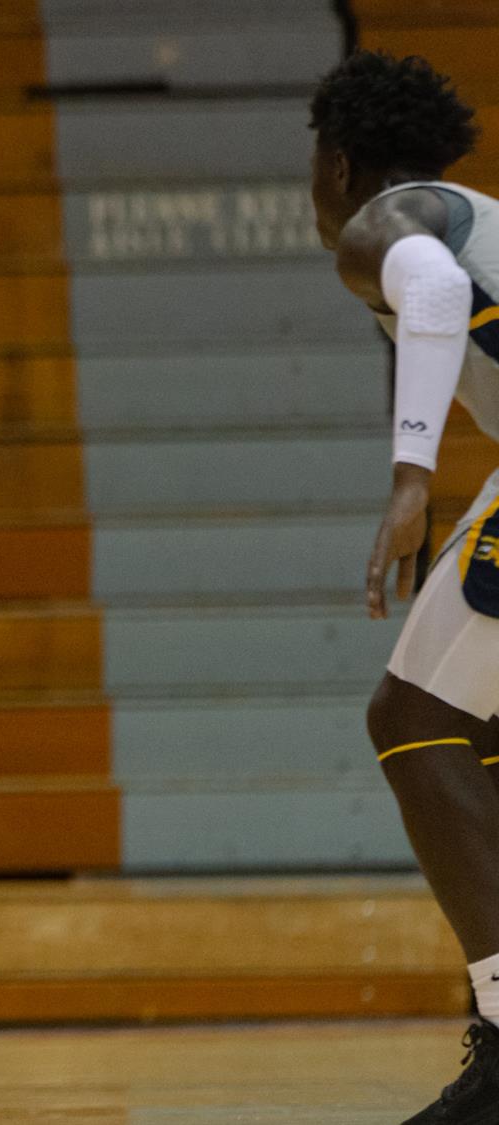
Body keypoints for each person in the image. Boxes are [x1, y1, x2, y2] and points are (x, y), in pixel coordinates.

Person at [311, 49, 499, 1125]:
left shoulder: (380, 224)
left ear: (336, 163)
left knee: (414, 719)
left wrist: (408, 476)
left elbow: (425, 285)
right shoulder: (467, 208)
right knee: (444, 726)